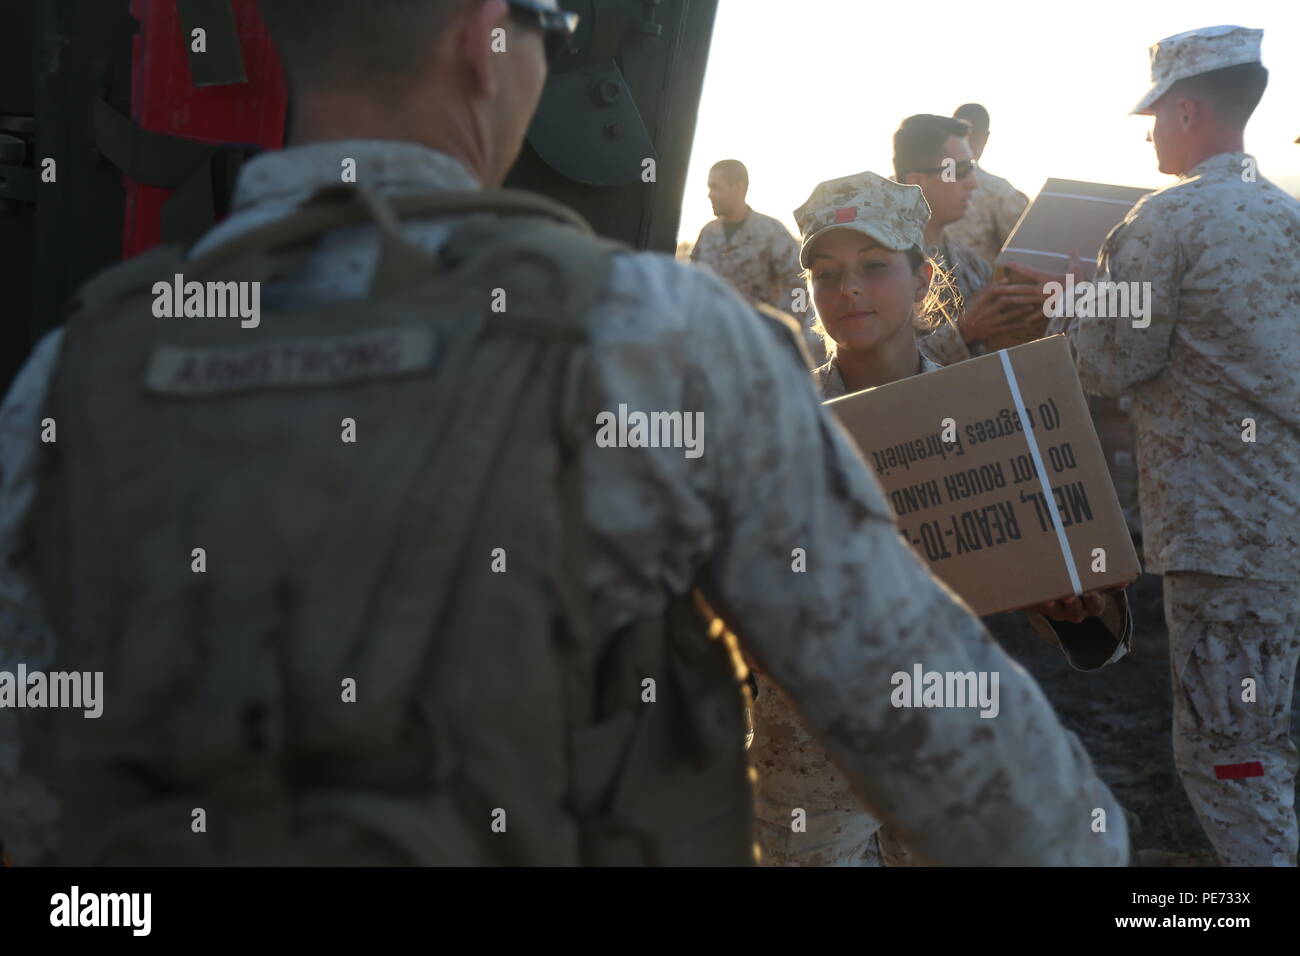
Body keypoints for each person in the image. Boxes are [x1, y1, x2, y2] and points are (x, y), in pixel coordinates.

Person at [0, 0, 1130, 866]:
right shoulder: (666, 340)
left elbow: (31, 772)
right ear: (487, 41)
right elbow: (985, 778)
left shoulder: (81, 371)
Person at [750, 170, 1130, 866]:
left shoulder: (987, 416)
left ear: (924, 278)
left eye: (874, 266)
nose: (849, 289)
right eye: (827, 274)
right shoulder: (774, 425)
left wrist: (1076, 605)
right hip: (808, 751)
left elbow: (1067, 584)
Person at [1049, 24, 1300, 866]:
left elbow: (1110, 363)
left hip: (1222, 537)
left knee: (1231, 760)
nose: (1151, 133)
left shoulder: (1166, 220)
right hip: (1283, 527)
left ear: (1188, 112)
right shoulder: (1289, 216)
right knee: (1267, 743)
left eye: (1155, 116)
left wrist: (1075, 303)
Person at [892, 114, 1042, 365]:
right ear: (917, 182)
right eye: (958, 171)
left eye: (970, 168)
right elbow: (878, 367)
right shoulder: (883, 268)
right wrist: (961, 332)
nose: (972, 183)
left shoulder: (970, 262)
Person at [691, 160, 819, 361]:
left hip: (758, 352)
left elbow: (798, 285)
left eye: (716, 187)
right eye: (709, 188)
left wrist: (782, 332)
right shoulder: (708, 233)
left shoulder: (771, 232)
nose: (710, 194)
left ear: (739, 188)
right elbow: (692, 286)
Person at [944, 104, 1029, 267]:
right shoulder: (999, 191)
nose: (968, 142)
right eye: (964, 136)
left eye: (973, 136)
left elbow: (1019, 256)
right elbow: (1023, 257)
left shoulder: (999, 192)